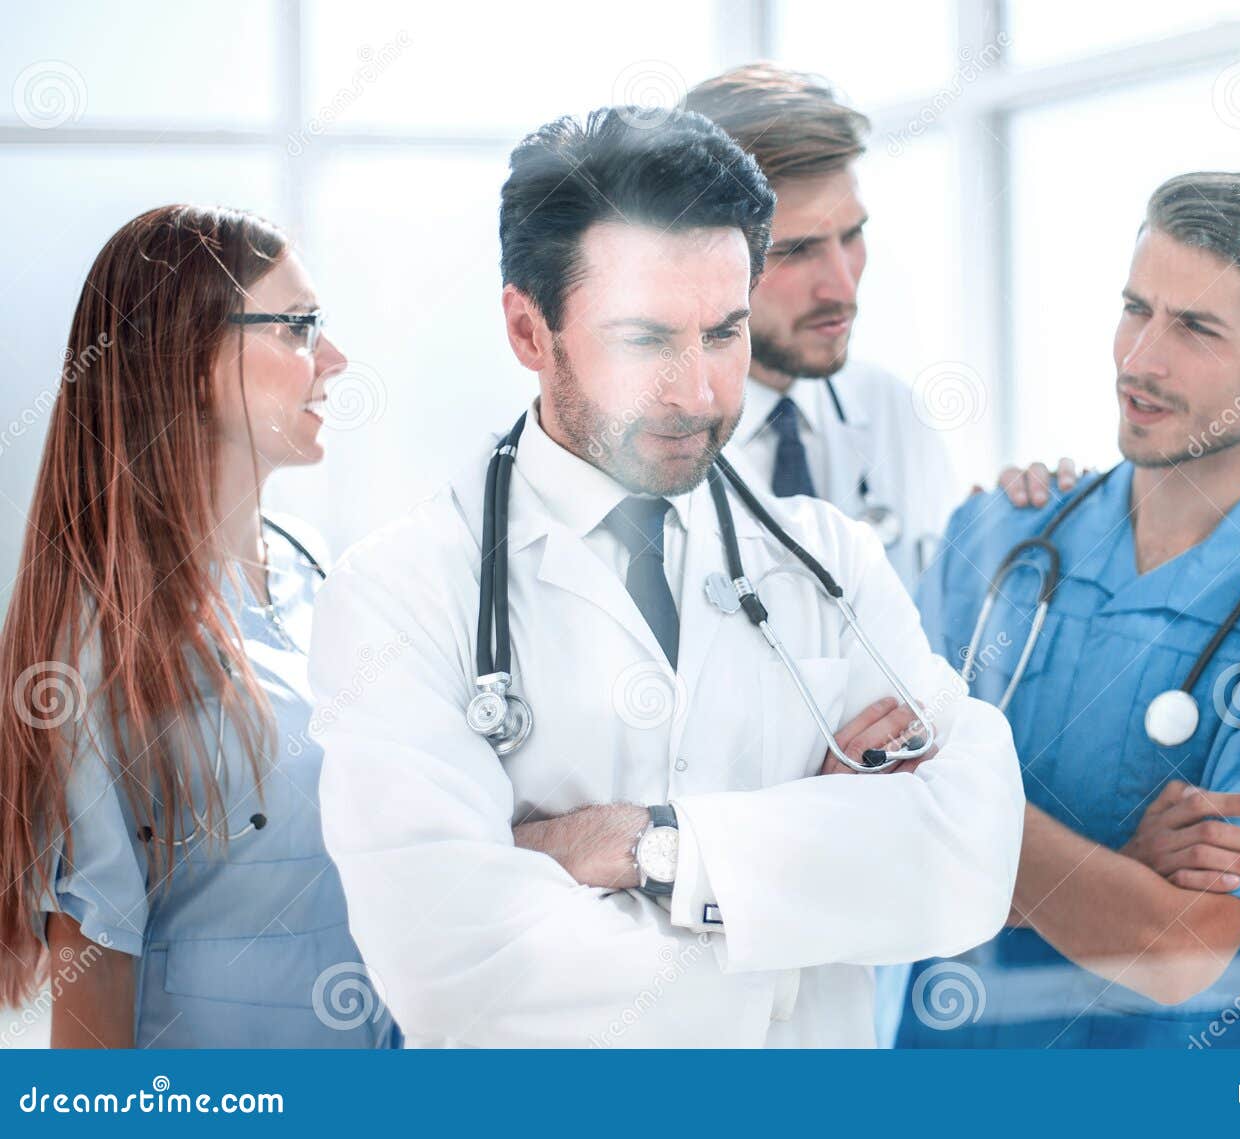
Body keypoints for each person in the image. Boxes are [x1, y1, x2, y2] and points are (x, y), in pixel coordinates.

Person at [306, 106, 1024, 1048]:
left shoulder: (829, 558)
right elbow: (458, 968)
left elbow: (966, 850)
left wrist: (643, 847)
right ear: (530, 330)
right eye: (645, 341)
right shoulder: (399, 594)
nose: (698, 393)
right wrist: (787, 944)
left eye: (724, 333)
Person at [896, 172, 1240, 1049]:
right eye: (1137, 308)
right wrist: (1122, 871)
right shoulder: (997, 541)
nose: (1140, 359)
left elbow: (1174, 953)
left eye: (1196, 328)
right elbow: (866, 822)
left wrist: (949, 810)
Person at [0, 205, 397, 1048]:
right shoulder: (100, 635)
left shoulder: (315, 568)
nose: (334, 360)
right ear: (187, 354)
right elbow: (94, 964)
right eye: (298, 327)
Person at [682, 64, 961, 588]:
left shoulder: (892, 412)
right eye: (798, 250)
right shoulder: (645, 446)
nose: (843, 287)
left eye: (852, 236)